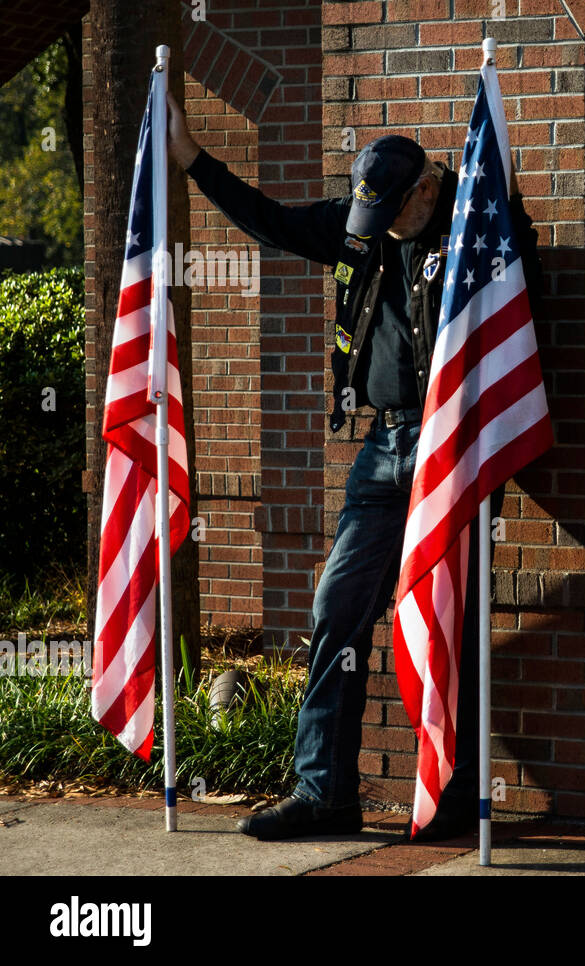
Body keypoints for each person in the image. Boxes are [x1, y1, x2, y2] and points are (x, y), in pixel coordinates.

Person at [165, 92, 539, 841]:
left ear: (428, 190)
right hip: (381, 451)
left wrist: (496, 194)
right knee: (336, 610)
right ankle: (325, 794)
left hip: (452, 449)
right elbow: (274, 221)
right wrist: (193, 161)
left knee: (449, 622)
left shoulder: (476, 228)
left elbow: (515, 259)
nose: (384, 228)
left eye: (399, 212)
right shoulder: (365, 228)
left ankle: (456, 798)